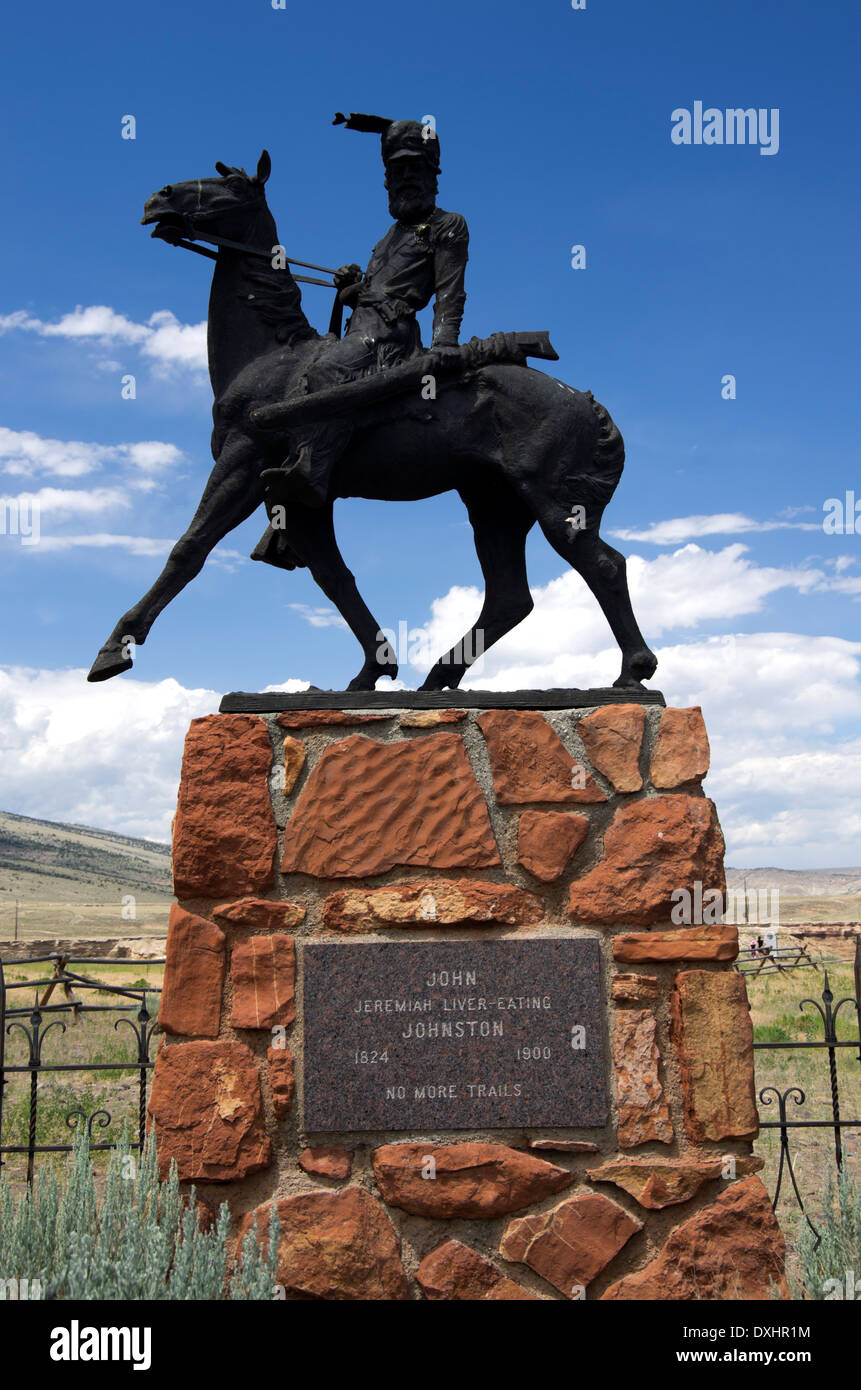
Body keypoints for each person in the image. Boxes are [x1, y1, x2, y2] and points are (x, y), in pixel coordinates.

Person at [272, 113, 469, 511]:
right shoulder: (387, 238)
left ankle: (311, 472)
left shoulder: (447, 225)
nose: (405, 177)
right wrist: (352, 288)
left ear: (433, 174)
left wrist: (444, 341)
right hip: (361, 328)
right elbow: (375, 294)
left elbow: (450, 290)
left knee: (328, 371)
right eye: (397, 170)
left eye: (415, 167)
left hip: (390, 337)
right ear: (386, 179)